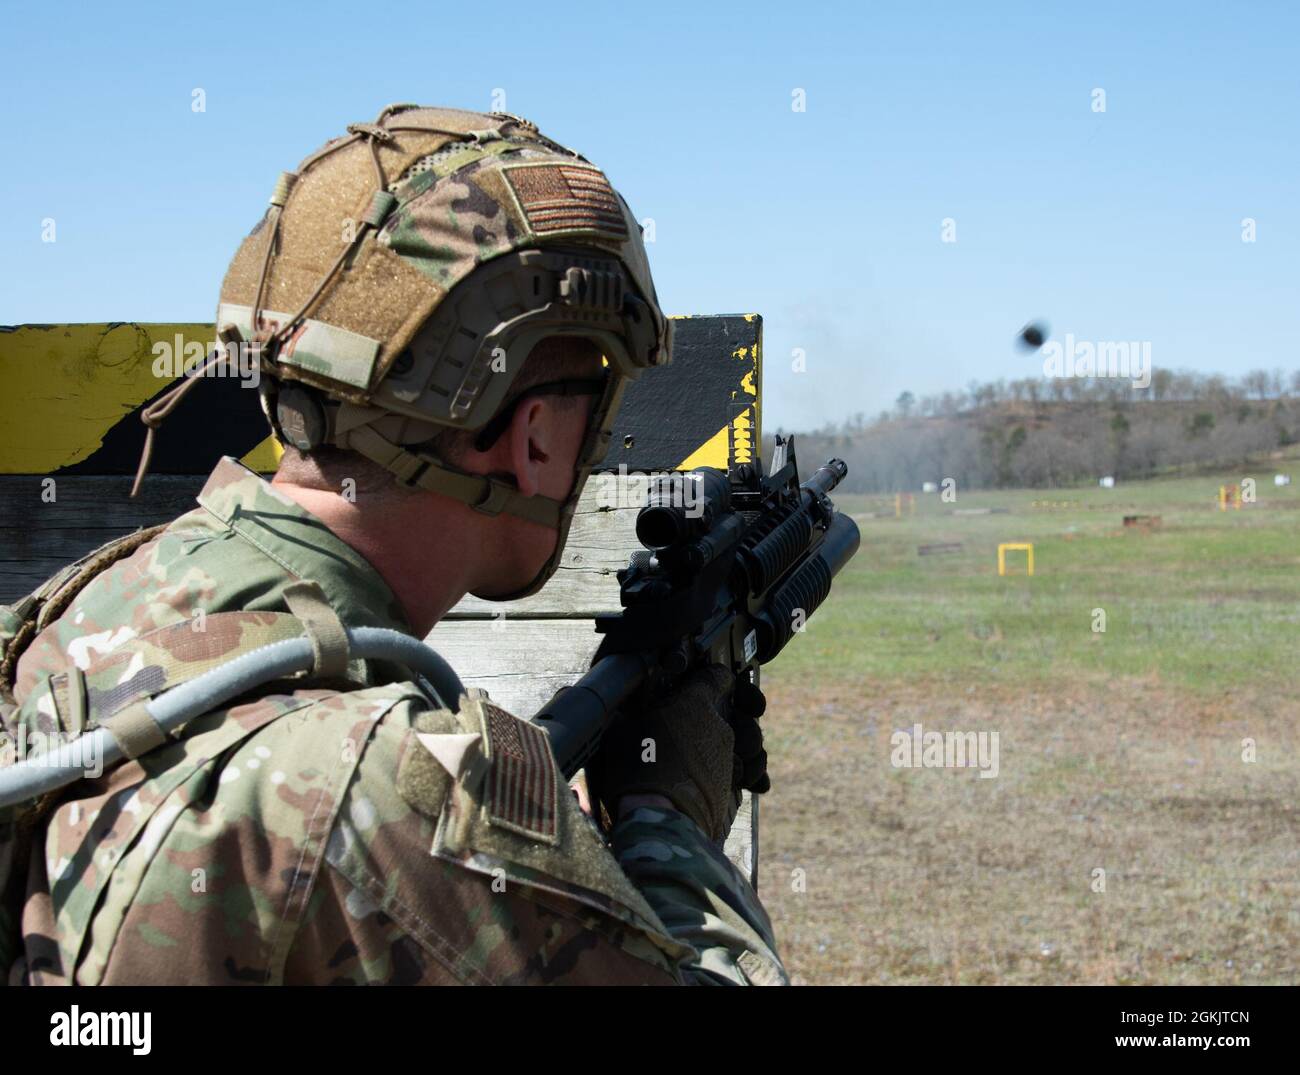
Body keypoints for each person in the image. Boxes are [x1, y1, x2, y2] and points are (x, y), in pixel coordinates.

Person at [0, 105, 785, 986]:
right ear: (532, 440)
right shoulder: (387, 793)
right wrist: (664, 816)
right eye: (592, 404)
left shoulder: (84, 605)